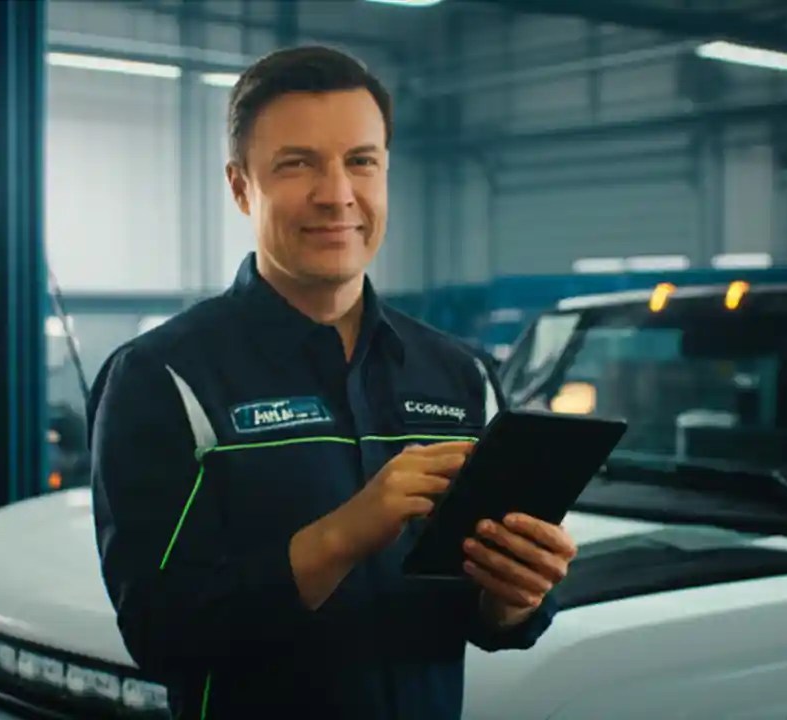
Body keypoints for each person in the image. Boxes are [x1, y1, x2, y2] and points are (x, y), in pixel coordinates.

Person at [88, 46, 579, 719]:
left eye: (360, 161)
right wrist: (344, 534)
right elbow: (158, 627)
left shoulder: (461, 375)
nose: (336, 194)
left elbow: (488, 618)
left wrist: (514, 596)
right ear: (240, 187)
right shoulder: (162, 378)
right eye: (297, 164)